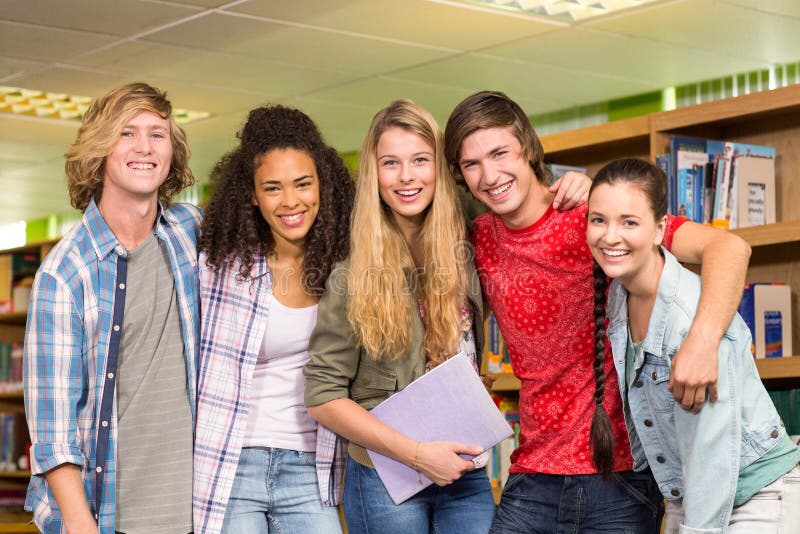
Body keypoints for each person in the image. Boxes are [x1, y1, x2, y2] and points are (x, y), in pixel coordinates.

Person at [443, 91, 752, 533]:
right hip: (530, 477)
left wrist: (702, 344)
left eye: (499, 153)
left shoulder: (596, 219)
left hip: (621, 478)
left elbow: (729, 247)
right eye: (471, 164)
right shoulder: (479, 239)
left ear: (528, 148)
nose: (489, 175)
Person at [303, 99, 496, 534]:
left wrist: (572, 187)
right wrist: (415, 454)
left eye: (420, 160)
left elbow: (522, 202)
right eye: (391, 163)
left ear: (440, 169)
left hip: (465, 469)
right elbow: (322, 396)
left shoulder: (466, 245)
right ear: (375, 175)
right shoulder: (351, 275)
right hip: (384, 475)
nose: (407, 176)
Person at [587, 158, 800, 533]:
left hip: (756, 497)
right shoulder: (619, 294)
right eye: (598, 220)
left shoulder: (690, 318)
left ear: (660, 230)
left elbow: (712, 455)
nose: (609, 236)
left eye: (629, 222)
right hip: (689, 495)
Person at [23, 82, 200, 534]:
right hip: (111, 517)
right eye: (127, 133)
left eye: (157, 134)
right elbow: (53, 430)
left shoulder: (193, 232)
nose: (145, 147)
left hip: (201, 510)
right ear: (98, 149)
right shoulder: (64, 274)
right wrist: (80, 524)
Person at [192, 105, 353, 534]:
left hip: (311, 467)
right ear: (251, 194)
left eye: (303, 184)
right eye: (272, 188)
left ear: (323, 184)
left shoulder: (346, 267)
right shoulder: (217, 266)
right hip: (232, 464)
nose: (291, 201)